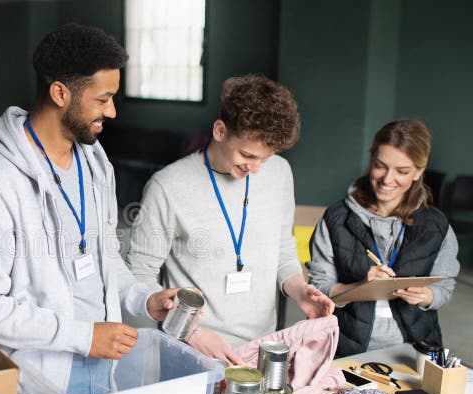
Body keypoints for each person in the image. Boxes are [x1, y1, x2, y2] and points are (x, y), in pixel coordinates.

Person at [0, 23, 180, 394]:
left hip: (102, 369)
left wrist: (144, 299)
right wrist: (83, 336)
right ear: (60, 93)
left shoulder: (96, 164)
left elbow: (107, 261)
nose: (112, 111)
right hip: (37, 389)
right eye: (103, 99)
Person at [126, 74, 334, 364]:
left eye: (266, 157)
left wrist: (300, 290)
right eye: (248, 154)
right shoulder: (168, 186)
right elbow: (139, 274)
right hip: (190, 350)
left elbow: (283, 250)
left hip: (261, 350)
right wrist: (191, 332)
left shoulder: (280, 172)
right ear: (220, 131)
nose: (257, 169)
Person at [308, 119, 459, 357]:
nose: (387, 180)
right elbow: (318, 287)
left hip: (416, 347)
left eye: (402, 171)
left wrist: (429, 296)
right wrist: (359, 287)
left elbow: (445, 286)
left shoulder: (436, 225)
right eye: (380, 166)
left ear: (419, 171)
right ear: (371, 160)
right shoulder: (335, 218)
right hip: (345, 346)